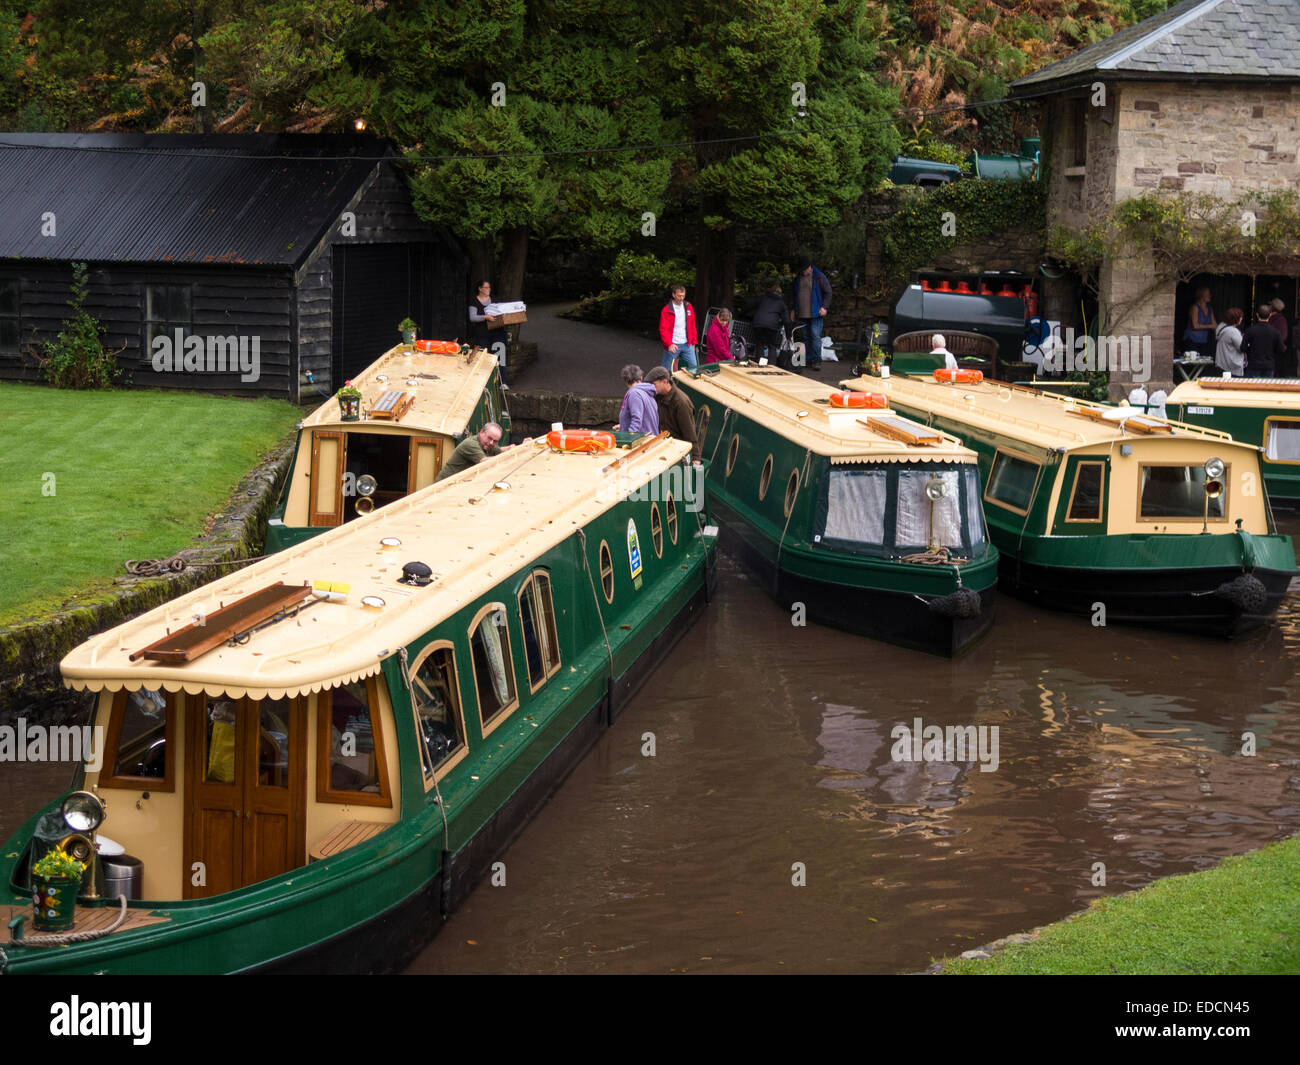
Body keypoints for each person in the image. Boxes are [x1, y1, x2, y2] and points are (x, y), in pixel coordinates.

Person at [646, 366, 700, 462]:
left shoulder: (681, 403)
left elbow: (689, 432)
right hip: (663, 447)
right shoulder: (657, 396)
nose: (651, 387)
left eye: (654, 384)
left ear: (665, 381)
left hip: (676, 451)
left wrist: (695, 458)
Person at [791, 257, 832, 372]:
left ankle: (816, 360)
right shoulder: (798, 278)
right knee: (805, 337)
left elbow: (828, 292)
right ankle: (807, 360)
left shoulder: (819, 277)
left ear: (809, 267)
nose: (802, 272)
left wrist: (824, 307)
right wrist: (794, 309)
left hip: (816, 313)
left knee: (815, 337)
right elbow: (794, 295)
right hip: (802, 313)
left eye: (804, 270)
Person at [468, 280, 508, 383]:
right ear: (480, 289)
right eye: (486, 287)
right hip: (483, 334)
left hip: (498, 332)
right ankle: (485, 382)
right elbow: (472, 318)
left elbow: (502, 312)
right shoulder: (474, 301)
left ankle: (502, 383)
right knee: (485, 358)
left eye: (489, 287)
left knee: (500, 356)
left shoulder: (494, 299)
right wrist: (485, 317)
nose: (488, 289)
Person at [435, 422, 503, 481]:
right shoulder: (471, 444)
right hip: (444, 484)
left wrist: (511, 448)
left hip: (459, 482)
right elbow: (484, 462)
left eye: (495, 441)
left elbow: (501, 450)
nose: (491, 443)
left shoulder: (487, 444)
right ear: (482, 432)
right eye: (489, 438)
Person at [746, 279, 789, 365]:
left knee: (760, 345)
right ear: (780, 294)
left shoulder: (762, 298)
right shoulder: (781, 303)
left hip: (758, 324)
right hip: (772, 326)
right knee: (772, 346)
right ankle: (771, 366)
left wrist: (746, 315)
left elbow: (749, 305)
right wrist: (789, 334)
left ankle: (760, 365)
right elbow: (786, 320)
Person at [658, 285, 698, 371]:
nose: (681, 298)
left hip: (687, 344)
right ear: (673, 295)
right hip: (673, 344)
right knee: (665, 370)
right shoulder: (666, 310)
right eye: (679, 296)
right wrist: (669, 344)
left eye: (683, 296)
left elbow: (692, 325)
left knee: (694, 367)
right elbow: (663, 329)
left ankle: (689, 384)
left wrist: (694, 342)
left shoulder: (688, 306)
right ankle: (661, 383)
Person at [614, 364, 660, 434]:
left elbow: (637, 419)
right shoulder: (646, 392)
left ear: (625, 380)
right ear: (641, 378)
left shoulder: (634, 394)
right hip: (650, 437)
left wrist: (629, 437)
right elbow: (645, 419)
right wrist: (623, 426)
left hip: (642, 441)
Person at [1241, 305, 1284, 377]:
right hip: (1269, 366)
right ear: (1270, 315)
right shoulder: (1275, 332)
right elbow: (1281, 349)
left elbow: (1243, 348)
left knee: (1252, 387)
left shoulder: (1250, 331)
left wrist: (1250, 351)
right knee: (1267, 387)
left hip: (1253, 365)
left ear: (1257, 315)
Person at [1182, 287, 1216, 360]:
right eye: (1208, 294)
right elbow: (1195, 326)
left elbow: (1215, 325)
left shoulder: (1210, 309)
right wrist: (1210, 326)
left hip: (1203, 340)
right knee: (1192, 362)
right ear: (1201, 295)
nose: (1210, 296)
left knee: (1203, 362)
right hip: (1192, 340)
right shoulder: (1195, 307)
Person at [1215, 308, 1245, 377]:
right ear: (1236, 319)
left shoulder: (1220, 326)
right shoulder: (1233, 331)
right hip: (1232, 366)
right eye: (1240, 317)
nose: (1241, 319)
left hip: (1221, 363)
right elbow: (1241, 347)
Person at [1267, 298, 1291, 376]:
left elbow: (1283, 336)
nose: (1268, 306)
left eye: (1270, 305)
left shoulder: (1281, 320)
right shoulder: (1268, 318)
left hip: (1276, 351)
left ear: (1273, 307)